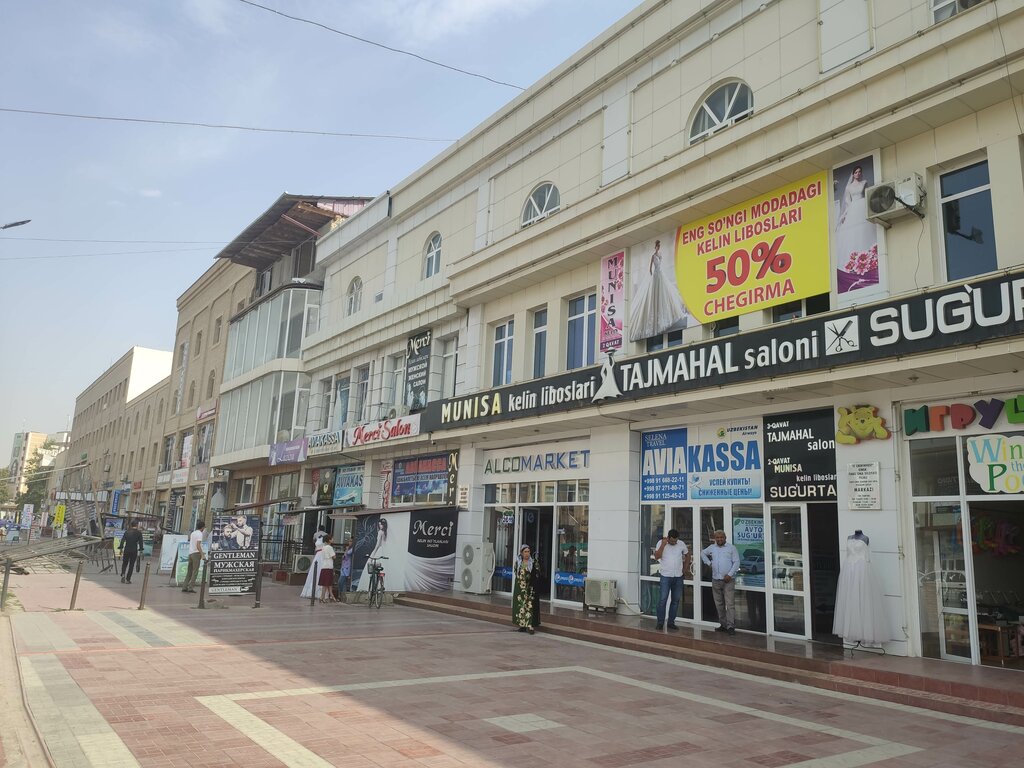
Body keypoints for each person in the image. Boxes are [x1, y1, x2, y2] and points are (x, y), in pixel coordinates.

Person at [628, 239, 691, 342]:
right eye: (657, 246)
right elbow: (650, 267)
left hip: (660, 273)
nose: (658, 248)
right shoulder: (653, 256)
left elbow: (660, 263)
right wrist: (651, 274)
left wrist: (658, 270)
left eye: (659, 246)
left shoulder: (660, 254)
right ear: (655, 247)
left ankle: (668, 312)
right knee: (654, 293)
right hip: (656, 275)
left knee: (664, 292)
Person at [701, 530, 740, 635]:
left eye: (721, 537)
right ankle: (723, 625)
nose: (719, 539)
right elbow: (702, 553)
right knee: (719, 604)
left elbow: (737, 562)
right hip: (716, 579)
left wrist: (730, 574)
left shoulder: (731, 548)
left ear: (725, 537)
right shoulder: (712, 547)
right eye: (717, 538)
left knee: (730, 604)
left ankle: (731, 626)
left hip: (728, 580)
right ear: (715, 538)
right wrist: (709, 563)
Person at [654, 529, 690, 631]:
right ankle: (660, 623)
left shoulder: (681, 544)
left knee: (675, 600)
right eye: (672, 541)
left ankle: (671, 622)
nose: (674, 542)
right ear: (668, 538)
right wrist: (663, 545)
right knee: (662, 600)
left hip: (678, 576)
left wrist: (685, 568)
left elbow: (688, 555)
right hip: (665, 576)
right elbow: (656, 557)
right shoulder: (661, 543)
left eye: (676, 540)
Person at [511, 544, 542, 634]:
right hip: (520, 588)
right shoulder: (518, 563)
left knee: (529, 606)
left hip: (530, 588)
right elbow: (516, 573)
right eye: (525, 552)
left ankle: (530, 626)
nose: (527, 554)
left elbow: (537, 574)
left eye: (528, 552)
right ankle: (522, 625)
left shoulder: (534, 563)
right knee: (521, 605)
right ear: (521, 553)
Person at [300, 528, 327, 599]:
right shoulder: (323, 536)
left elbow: (314, 542)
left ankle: (318, 591)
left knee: (318, 570)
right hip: (319, 554)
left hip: (320, 554)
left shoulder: (317, 535)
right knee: (316, 570)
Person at [182, 520, 206, 593]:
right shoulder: (200, 534)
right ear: (202, 527)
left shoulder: (193, 533)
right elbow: (198, 545)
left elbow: (192, 542)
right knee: (195, 571)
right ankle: (191, 587)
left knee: (189, 571)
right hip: (196, 554)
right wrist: (202, 554)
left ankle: (184, 586)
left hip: (190, 553)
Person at [318, 535, 337, 603]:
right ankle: (322, 597)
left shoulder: (323, 547)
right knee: (326, 583)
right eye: (332, 539)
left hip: (324, 566)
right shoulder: (329, 547)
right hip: (329, 566)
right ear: (329, 540)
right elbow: (334, 557)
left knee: (327, 583)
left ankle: (330, 596)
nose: (333, 540)